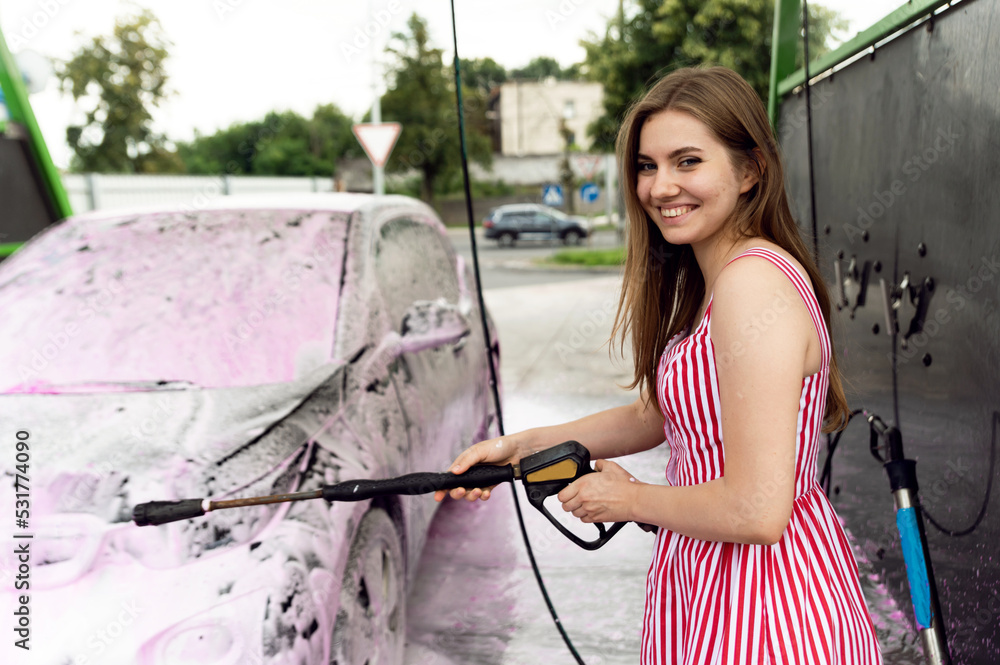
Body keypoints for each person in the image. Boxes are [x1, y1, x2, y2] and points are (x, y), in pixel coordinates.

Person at [435, 65, 883, 664]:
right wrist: (518, 447)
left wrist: (628, 500)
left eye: (687, 161)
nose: (661, 187)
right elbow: (665, 414)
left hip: (767, 614)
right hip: (714, 588)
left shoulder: (753, 284)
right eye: (648, 166)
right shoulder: (719, 282)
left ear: (750, 170)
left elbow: (757, 510)